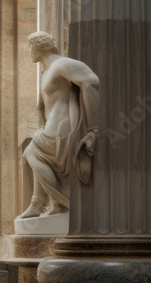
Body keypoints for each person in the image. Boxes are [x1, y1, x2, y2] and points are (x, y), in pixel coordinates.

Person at [18, 31, 100, 219]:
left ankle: (46, 203)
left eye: (30, 46)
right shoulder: (47, 71)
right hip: (51, 130)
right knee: (30, 152)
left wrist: (92, 129)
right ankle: (53, 203)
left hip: (60, 131)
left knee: (31, 151)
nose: (29, 51)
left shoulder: (61, 64)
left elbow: (91, 80)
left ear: (40, 46)